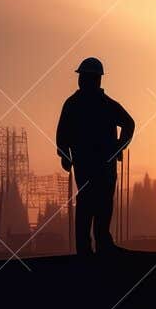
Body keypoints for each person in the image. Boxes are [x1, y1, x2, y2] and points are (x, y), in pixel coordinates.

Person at [55, 56, 135, 256]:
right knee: (90, 202)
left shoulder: (81, 104)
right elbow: (62, 134)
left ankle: (99, 245)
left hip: (97, 165)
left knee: (99, 203)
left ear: (94, 80)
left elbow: (128, 124)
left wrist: (119, 147)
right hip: (91, 165)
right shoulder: (81, 104)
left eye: (84, 77)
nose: (82, 80)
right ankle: (90, 247)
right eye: (82, 77)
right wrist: (65, 155)